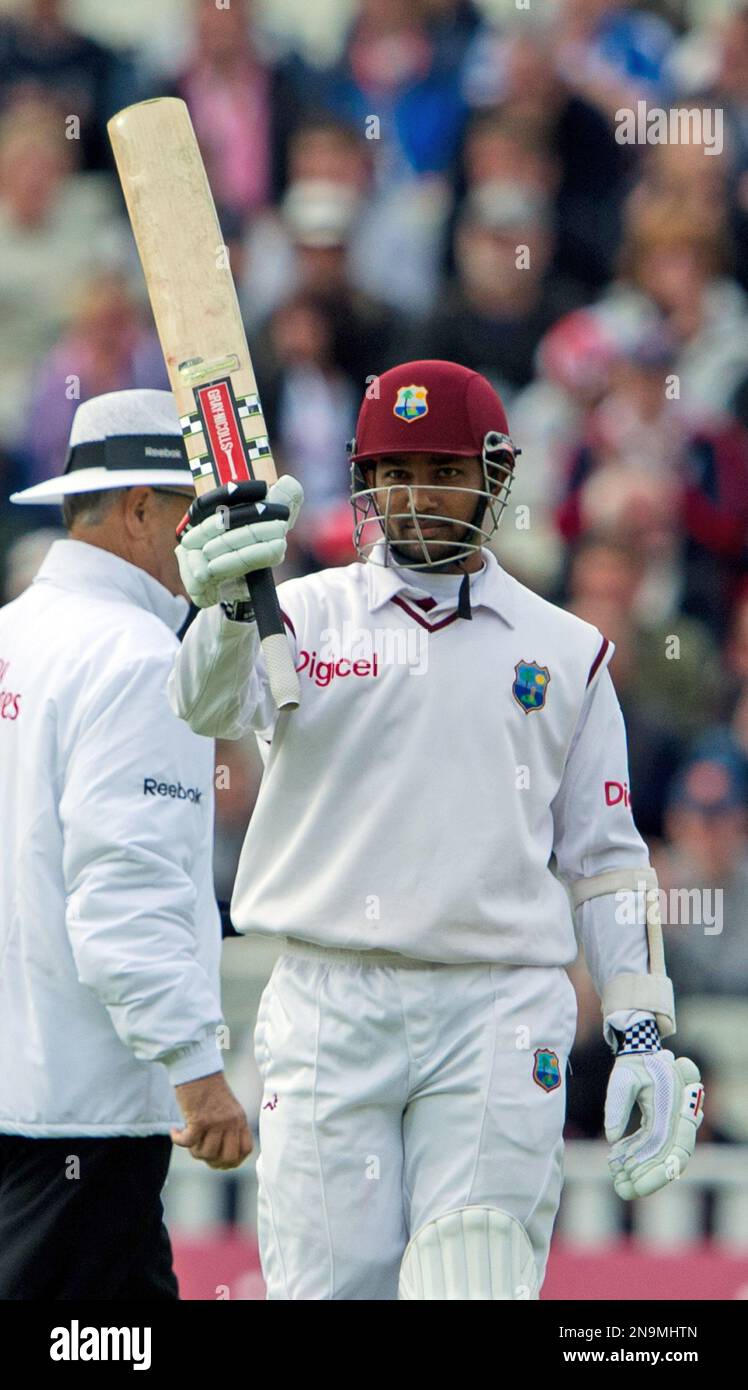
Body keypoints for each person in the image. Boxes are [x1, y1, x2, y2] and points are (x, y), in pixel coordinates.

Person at [170, 359, 703, 1301]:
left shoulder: (565, 652)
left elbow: (608, 862)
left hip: (498, 1007)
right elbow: (206, 707)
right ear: (363, 481)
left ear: (495, 478)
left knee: (476, 1284)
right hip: (330, 998)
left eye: (439, 469)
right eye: (391, 471)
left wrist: (640, 1029)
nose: (412, 495)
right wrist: (217, 606)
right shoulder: (297, 612)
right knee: (330, 1293)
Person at [0, 389, 251, 1300]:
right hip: (83, 1115)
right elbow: (123, 889)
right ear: (142, 509)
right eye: (195, 511)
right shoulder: (142, 658)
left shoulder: (15, 636)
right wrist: (197, 1071)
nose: (208, 538)